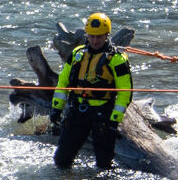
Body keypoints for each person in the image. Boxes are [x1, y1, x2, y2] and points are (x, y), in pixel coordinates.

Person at [51, 12, 132, 170]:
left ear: (106, 36)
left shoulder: (117, 59)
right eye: (92, 36)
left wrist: (114, 119)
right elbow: (63, 82)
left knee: (103, 165)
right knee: (61, 161)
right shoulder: (77, 54)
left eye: (99, 37)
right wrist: (56, 108)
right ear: (87, 35)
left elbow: (125, 92)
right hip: (77, 111)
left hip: (104, 115)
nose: (95, 41)